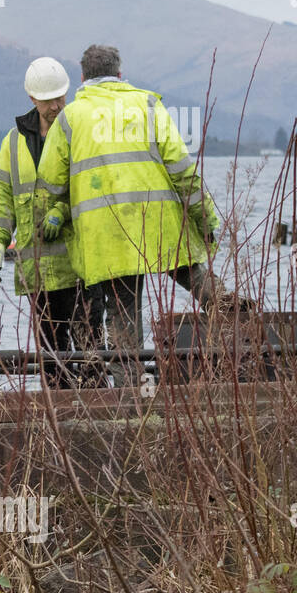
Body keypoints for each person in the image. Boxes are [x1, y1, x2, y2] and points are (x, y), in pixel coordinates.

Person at [36, 44, 221, 385]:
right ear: (120, 74)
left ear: (81, 78)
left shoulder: (70, 118)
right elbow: (183, 170)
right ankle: (228, 307)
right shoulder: (149, 106)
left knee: (122, 309)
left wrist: (53, 215)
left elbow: (49, 183)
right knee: (189, 272)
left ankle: (127, 391)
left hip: (108, 235)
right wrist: (204, 218)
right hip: (159, 222)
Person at [0, 57, 100, 386]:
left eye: (60, 97)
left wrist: (62, 210)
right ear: (32, 99)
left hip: (80, 267)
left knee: (90, 352)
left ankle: (98, 417)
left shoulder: (81, 133)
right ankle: (58, 423)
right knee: (51, 357)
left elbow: (93, 186)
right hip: (37, 272)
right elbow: (1, 195)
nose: (55, 105)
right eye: (48, 99)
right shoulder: (14, 142)